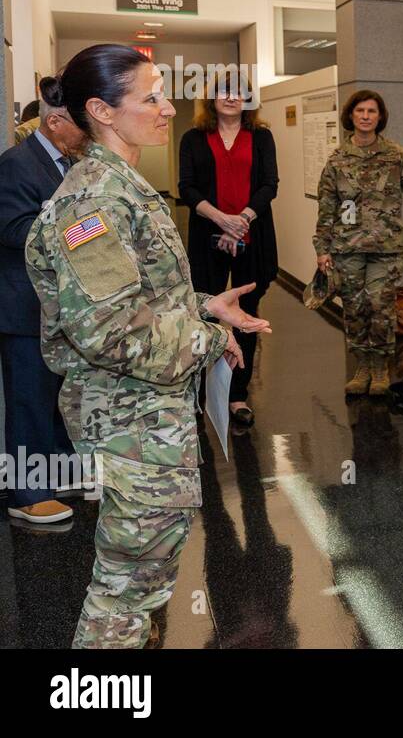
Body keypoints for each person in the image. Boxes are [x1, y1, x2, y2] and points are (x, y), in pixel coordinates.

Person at [25, 44, 271, 648]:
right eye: (151, 96)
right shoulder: (94, 204)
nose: (167, 108)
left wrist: (202, 306)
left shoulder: (124, 185)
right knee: (124, 592)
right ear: (102, 112)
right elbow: (111, 332)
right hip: (127, 419)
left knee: (148, 580)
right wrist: (211, 336)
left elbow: (139, 301)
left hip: (148, 415)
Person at [0, 93, 86, 524]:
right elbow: (14, 228)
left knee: (59, 397)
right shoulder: (16, 163)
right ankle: (27, 494)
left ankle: (59, 472)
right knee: (29, 401)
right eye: (79, 122)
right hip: (24, 306)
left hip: (59, 306)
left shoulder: (68, 163)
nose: (87, 132)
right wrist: (77, 229)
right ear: (54, 122)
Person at [179, 82, 279, 425]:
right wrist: (222, 219)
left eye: (240, 92)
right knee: (205, 311)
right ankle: (199, 395)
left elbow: (270, 184)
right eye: (224, 91)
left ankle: (238, 395)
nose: (232, 97)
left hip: (254, 236)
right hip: (208, 234)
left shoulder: (262, 137)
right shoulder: (193, 138)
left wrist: (243, 220)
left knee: (247, 314)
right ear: (212, 99)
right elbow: (186, 187)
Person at [313, 89, 403, 396]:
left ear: (380, 117)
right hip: (347, 248)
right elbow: (327, 207)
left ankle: (380, 368)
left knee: (380, 306)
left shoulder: (396, 155)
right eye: (360, 111)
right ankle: (361, 366)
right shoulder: (337, 160)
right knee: (355, 307)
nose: (365, 116)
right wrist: (322, 249)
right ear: (351, 115)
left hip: (386, 248)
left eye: (372, 111)